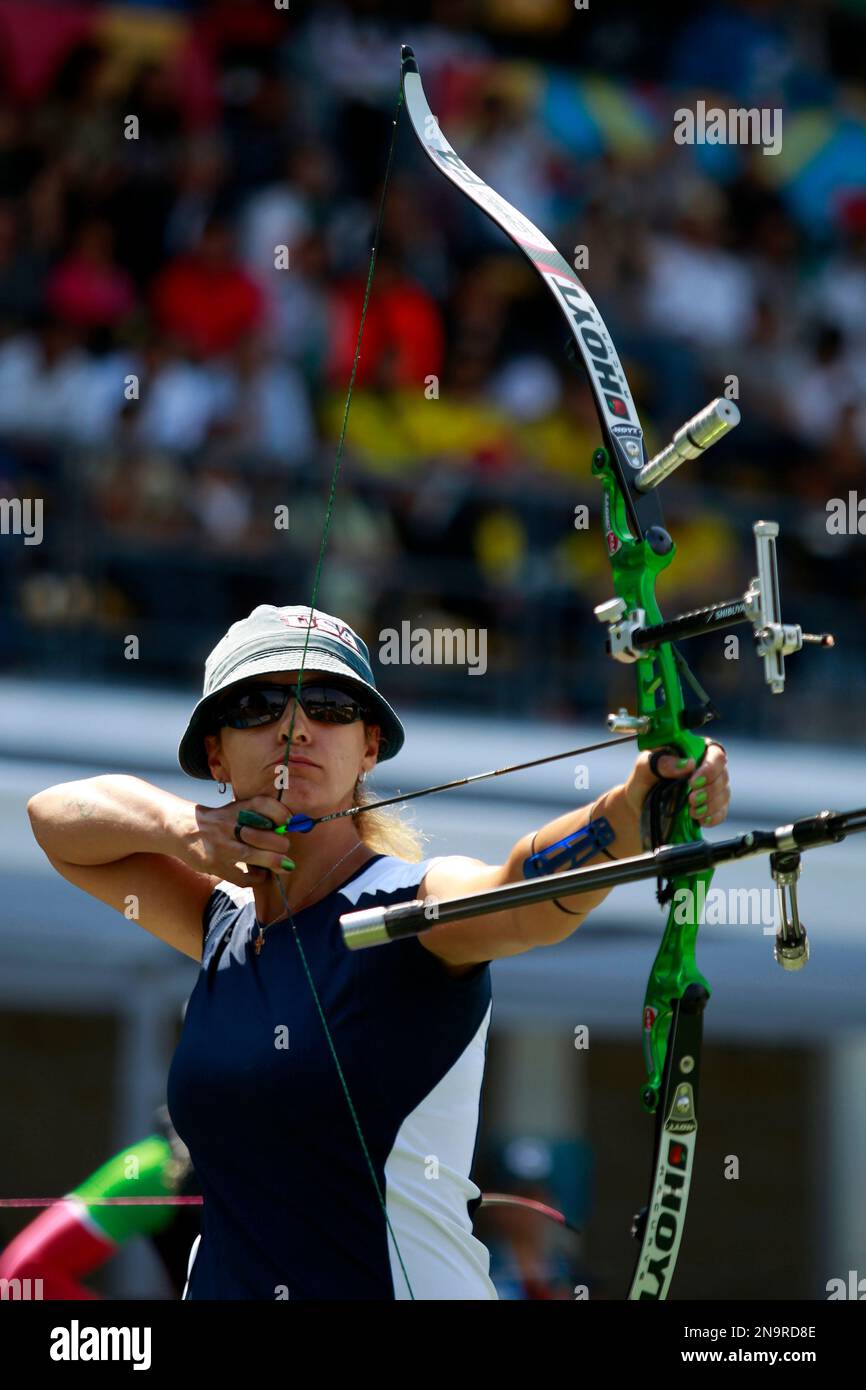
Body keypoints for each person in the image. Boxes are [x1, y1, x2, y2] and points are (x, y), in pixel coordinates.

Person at [27, 603, 730, 1300]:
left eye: (328, 704)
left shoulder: (405, 911)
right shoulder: (222, 925)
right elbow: (54, 820)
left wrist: (629, 816)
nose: (295, 726)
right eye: (257, 707)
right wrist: (182, 829)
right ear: (216, 753)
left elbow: (522, 898)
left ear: (368, 746)